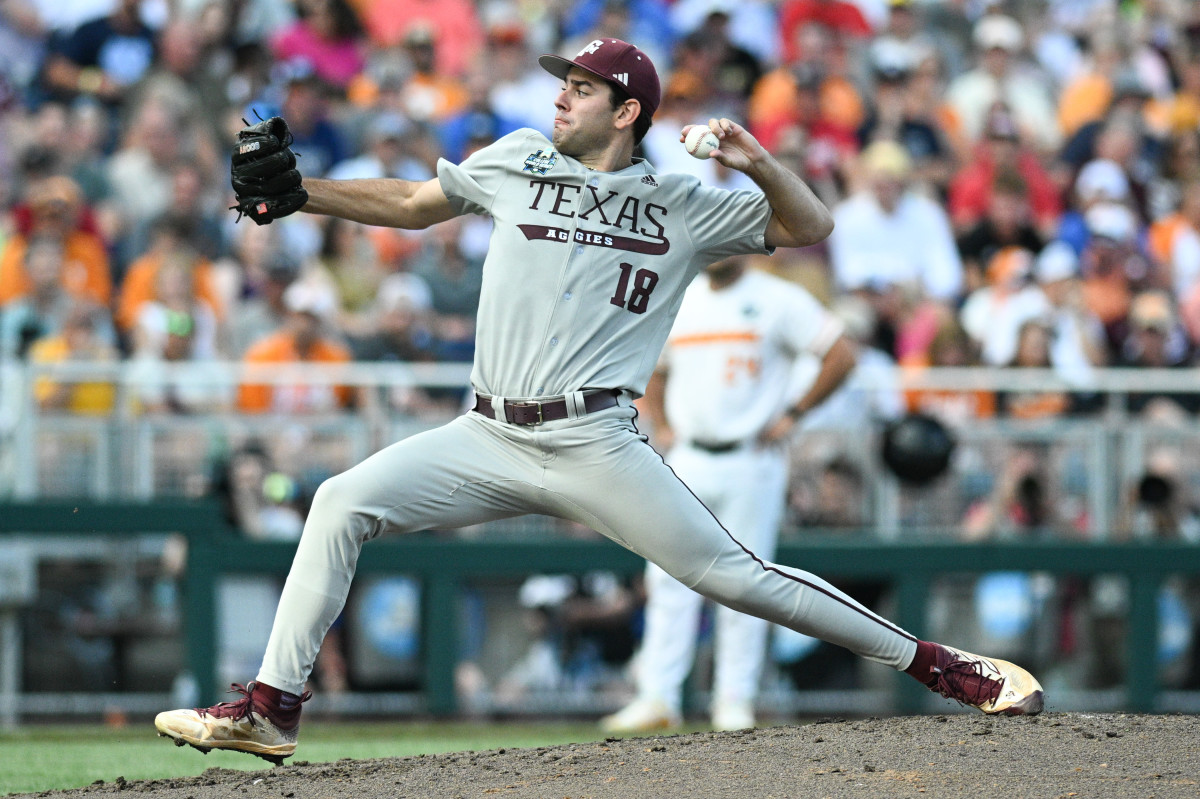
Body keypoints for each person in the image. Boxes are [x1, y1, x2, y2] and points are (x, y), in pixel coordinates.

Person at [154, 37, 1044, 764]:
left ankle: (941, 665)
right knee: (339, 499)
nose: (561, 99)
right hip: (487, 430)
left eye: (581, 89)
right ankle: (272, 706)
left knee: (739, 578)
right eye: (563, 84)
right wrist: (305, 195)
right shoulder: (516, 160)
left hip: (595, 438)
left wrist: (760, 162)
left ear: (627, 113)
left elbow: (811, 228)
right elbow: (416, 202)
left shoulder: (681, 204)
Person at [600, 254, 857, 732]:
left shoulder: (778, 298)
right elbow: (656, 367)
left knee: (746, 582)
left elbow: (841, 354)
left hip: (751, 456)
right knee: (666, 578)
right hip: (689, 456)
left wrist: (795, 414)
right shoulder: (680, 296)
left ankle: (734, 701)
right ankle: (658, 697)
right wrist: (662, 421)